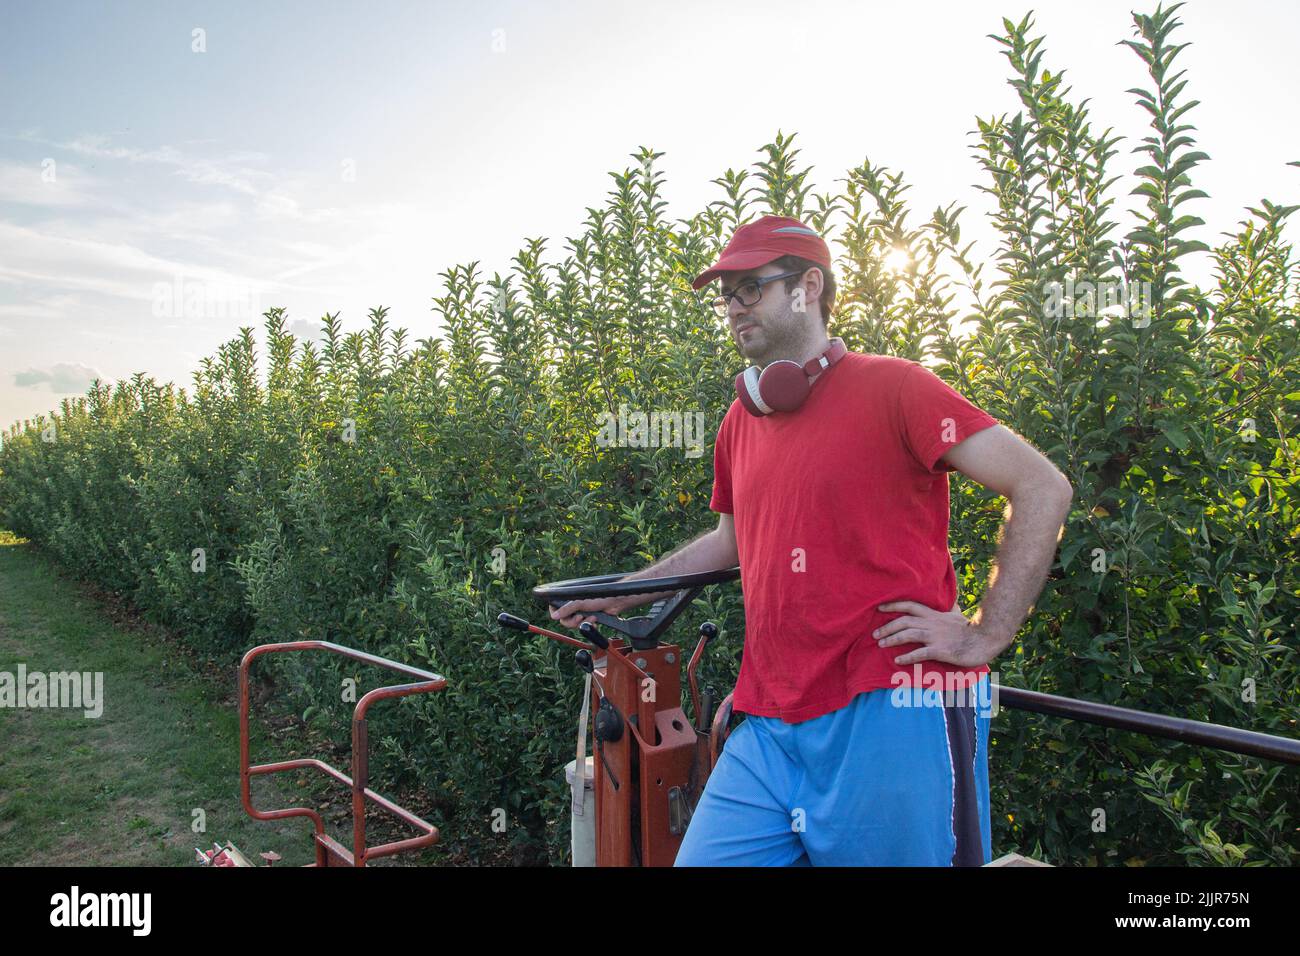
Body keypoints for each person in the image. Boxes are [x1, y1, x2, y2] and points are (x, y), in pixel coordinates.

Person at [550, 214, 1072, 866]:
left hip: (887, 707)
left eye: (750, 288)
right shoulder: (741, 420)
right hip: (767, 722)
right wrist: (623, 596)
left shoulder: (898, 388)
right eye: (725, 294)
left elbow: (1042, 485)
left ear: (808, 287)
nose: (734, 307)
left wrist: (984, 632)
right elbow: (730, 543)